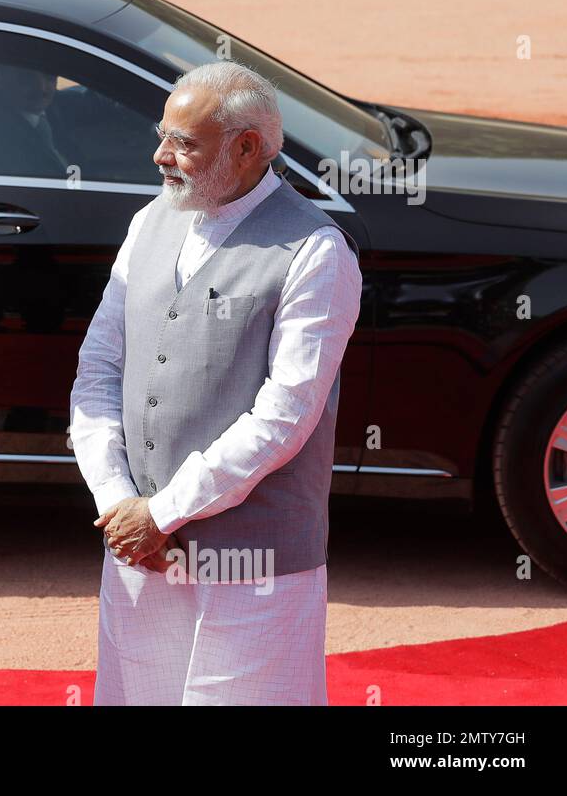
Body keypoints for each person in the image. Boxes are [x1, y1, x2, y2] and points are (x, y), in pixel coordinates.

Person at [69, 61, 362, 705]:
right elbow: (97, 373)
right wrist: (121, 503)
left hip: (254, 571)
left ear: (248, 147)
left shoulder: (316, 251)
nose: (160, 155)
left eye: (184, 143)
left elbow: (285, 416)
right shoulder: (149, 223)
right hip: (141, 552)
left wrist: (165, 512)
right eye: (163, 135)